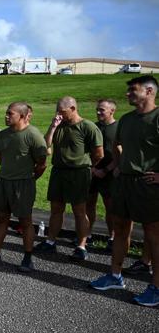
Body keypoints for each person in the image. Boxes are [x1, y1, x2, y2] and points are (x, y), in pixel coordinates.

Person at [91, 75, 159, 307]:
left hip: (149, 184)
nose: (128, 94)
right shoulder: (127, 119)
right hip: (125, 182)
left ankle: (156, 287)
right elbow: (116, 145)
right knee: (120, 228)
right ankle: (115, 276)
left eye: (133, 90)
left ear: (149, 92)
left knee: (153, 234)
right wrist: (118, 166)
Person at [0, 102, 47, 272]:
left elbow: (42, 164)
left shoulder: (33, 135)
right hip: (3, 181)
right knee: (1, 218)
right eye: (6, 113)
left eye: (11, 114)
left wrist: (29, 179)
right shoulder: (2, 135)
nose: (6, 116)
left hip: (23, 184)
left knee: (25, 221)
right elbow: (1, 157)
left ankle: (27, 257)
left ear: (23, 116)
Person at [34, 96, 103, 260]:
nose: (59, 114)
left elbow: (99, 153)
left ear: (73, 108)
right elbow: (46, 146)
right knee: (56, 209)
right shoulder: (59, 126)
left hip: (78, 173)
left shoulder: (87, 127)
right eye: (57, 111)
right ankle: (51, 242)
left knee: (80, 211)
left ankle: (81, 246)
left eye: (62, 111)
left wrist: (91, 168)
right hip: (59, 171)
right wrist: (52, 127)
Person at [86, 99, 118, 252]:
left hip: (111, 174)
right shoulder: (93, 127)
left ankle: (112, 238)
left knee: (110, 207)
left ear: (112, 111)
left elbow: (121, 154)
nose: (98, 113)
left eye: (102, 110)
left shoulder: (119, 128)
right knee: (89, 204)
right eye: (97, 110)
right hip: (92, 172)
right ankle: (87, 235)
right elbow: (86, 150)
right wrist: (93, 169)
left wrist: (106, 170)